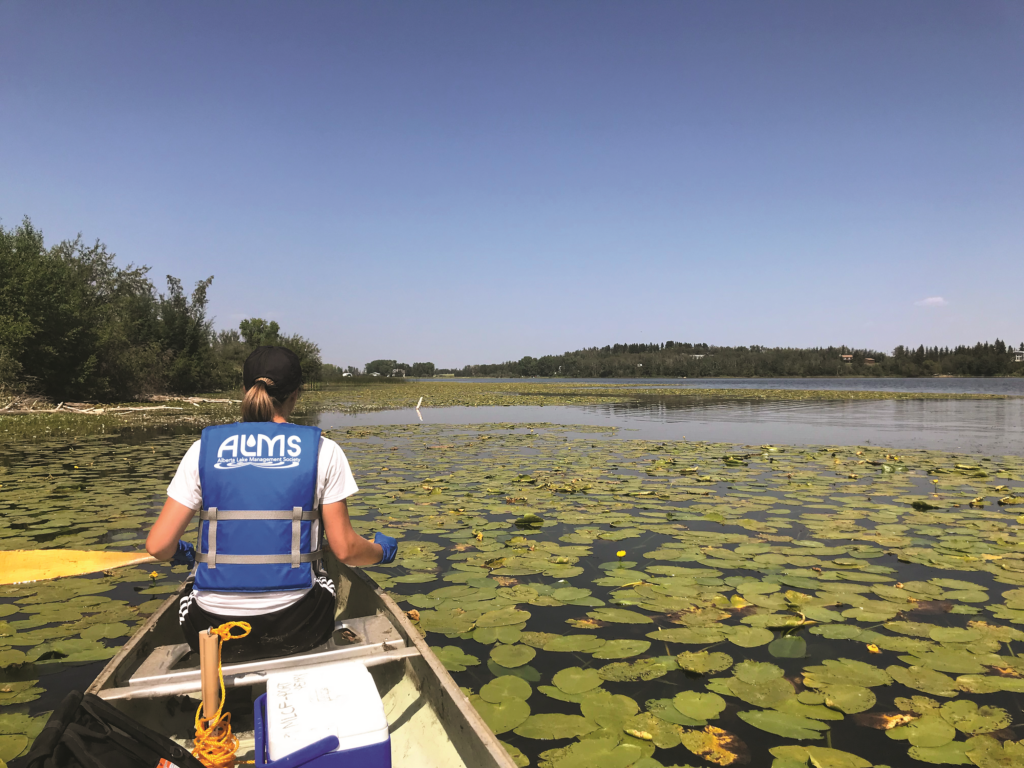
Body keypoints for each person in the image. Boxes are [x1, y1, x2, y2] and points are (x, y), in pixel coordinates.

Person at [145, 346, 397, 661]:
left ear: (244, 390)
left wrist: (181, 552)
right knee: (324, 578)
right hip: (297, 625)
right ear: (297, 394)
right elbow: (345, 550)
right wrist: (383, 552)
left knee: (194, 589)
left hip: (211, 630)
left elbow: (157, 546)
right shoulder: (323, 450)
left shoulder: (202, 449)